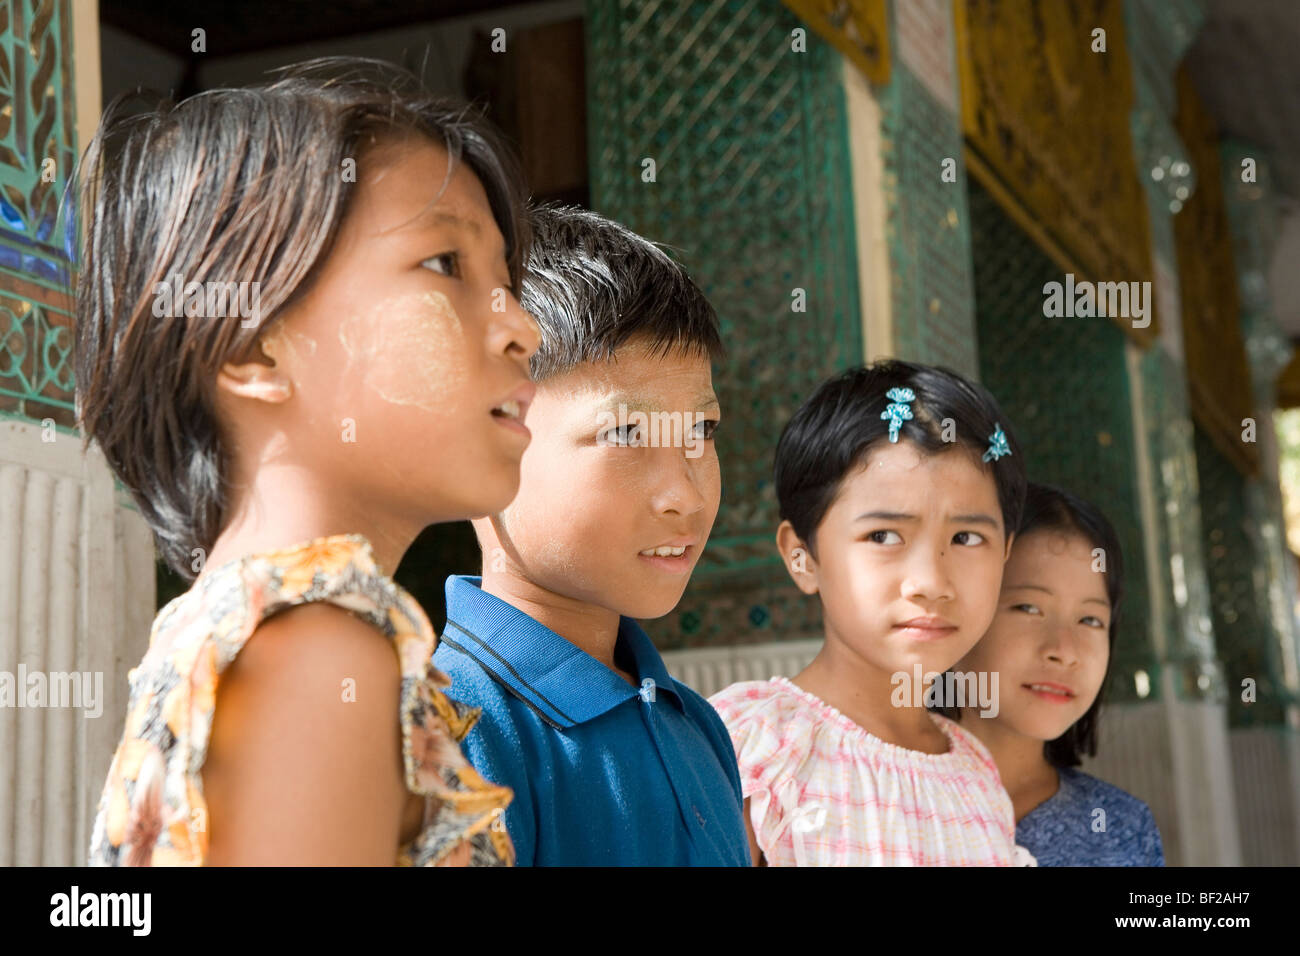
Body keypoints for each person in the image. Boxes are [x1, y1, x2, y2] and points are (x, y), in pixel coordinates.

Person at [78, 57, 540, 866]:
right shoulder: (316, 651)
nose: (521, 328)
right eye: (444, 265)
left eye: (508, 281)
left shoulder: (266, 635)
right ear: (255, 345)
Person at [432, 204, 750, 866]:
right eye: (626, 435)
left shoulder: (698, 725)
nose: (684, 495)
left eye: (703, 431)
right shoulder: (452, 727)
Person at [710, 361, 1034, 865]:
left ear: (1006, 554)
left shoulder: (977, 779)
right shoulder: (758, 747)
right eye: (883, 536)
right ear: (802, 555)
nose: (930, 582)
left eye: (967, 538)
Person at [947, 483, 1165, 866]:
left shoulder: (1123, 829)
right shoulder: (866, 798)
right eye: (1029, 608)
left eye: (1090, 619)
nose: (1065, 651)